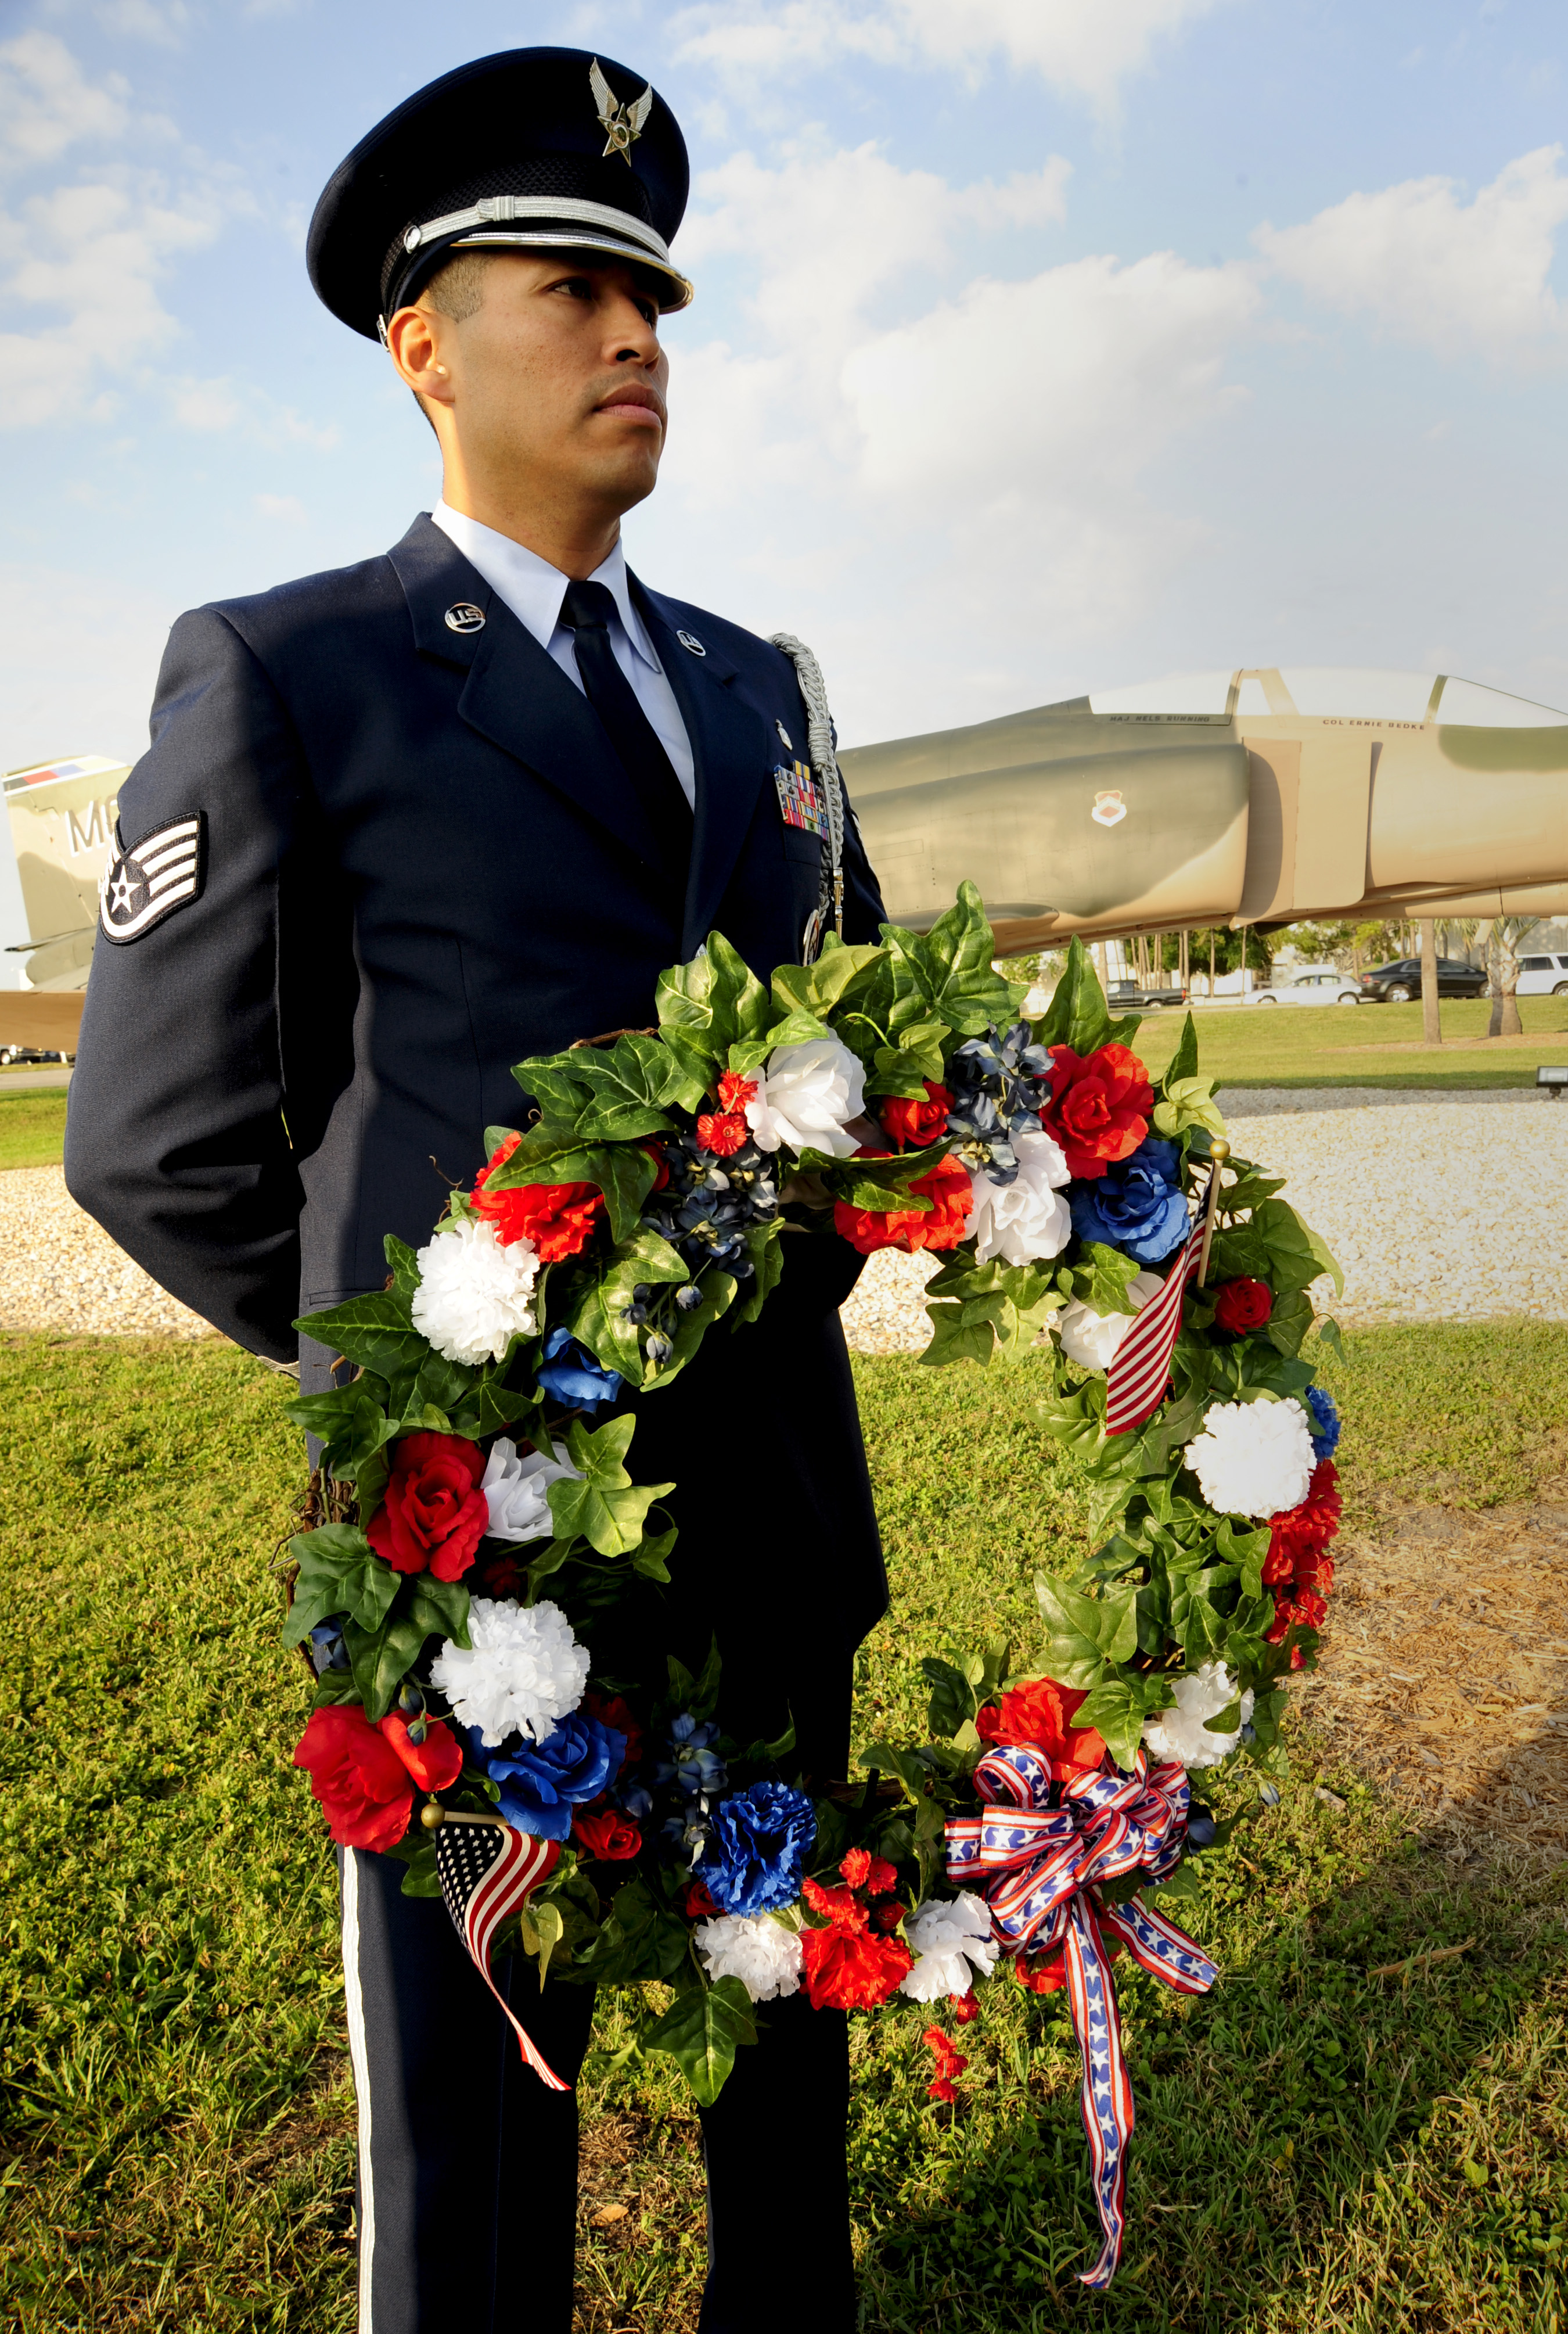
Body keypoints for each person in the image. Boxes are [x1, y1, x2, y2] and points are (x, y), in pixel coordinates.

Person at [64, 46, 889, 2334]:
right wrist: (433, 1386)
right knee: (481, 2111)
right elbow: (155, 1142)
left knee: (782, 2047)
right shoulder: (296, 673)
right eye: (573, 287)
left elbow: (856, 1058)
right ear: (424, 342)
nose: (638, 340)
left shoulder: (763, 694)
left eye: (658, 300)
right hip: (484, 1559)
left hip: (771, 1527)